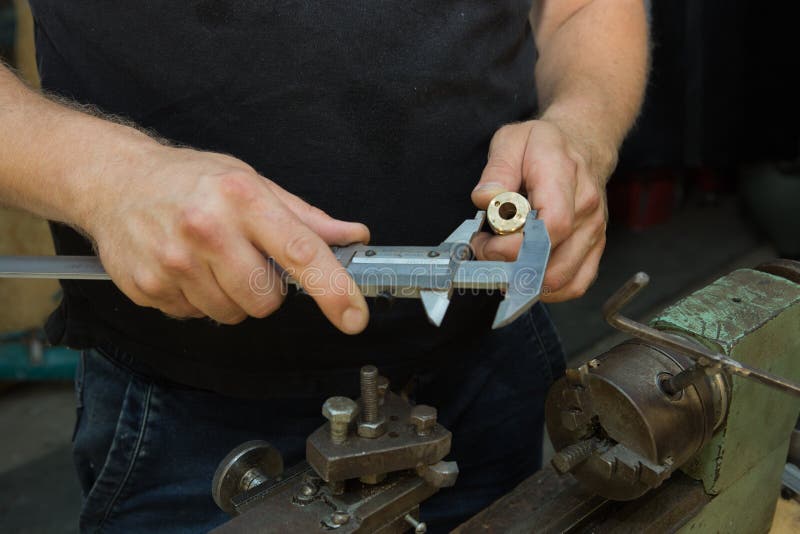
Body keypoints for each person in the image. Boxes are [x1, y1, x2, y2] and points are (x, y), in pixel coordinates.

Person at [0, 1, 648, 532]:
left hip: (491, 373)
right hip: (186, 416)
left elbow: (582, 8)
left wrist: (581, 129)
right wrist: (105, 176)